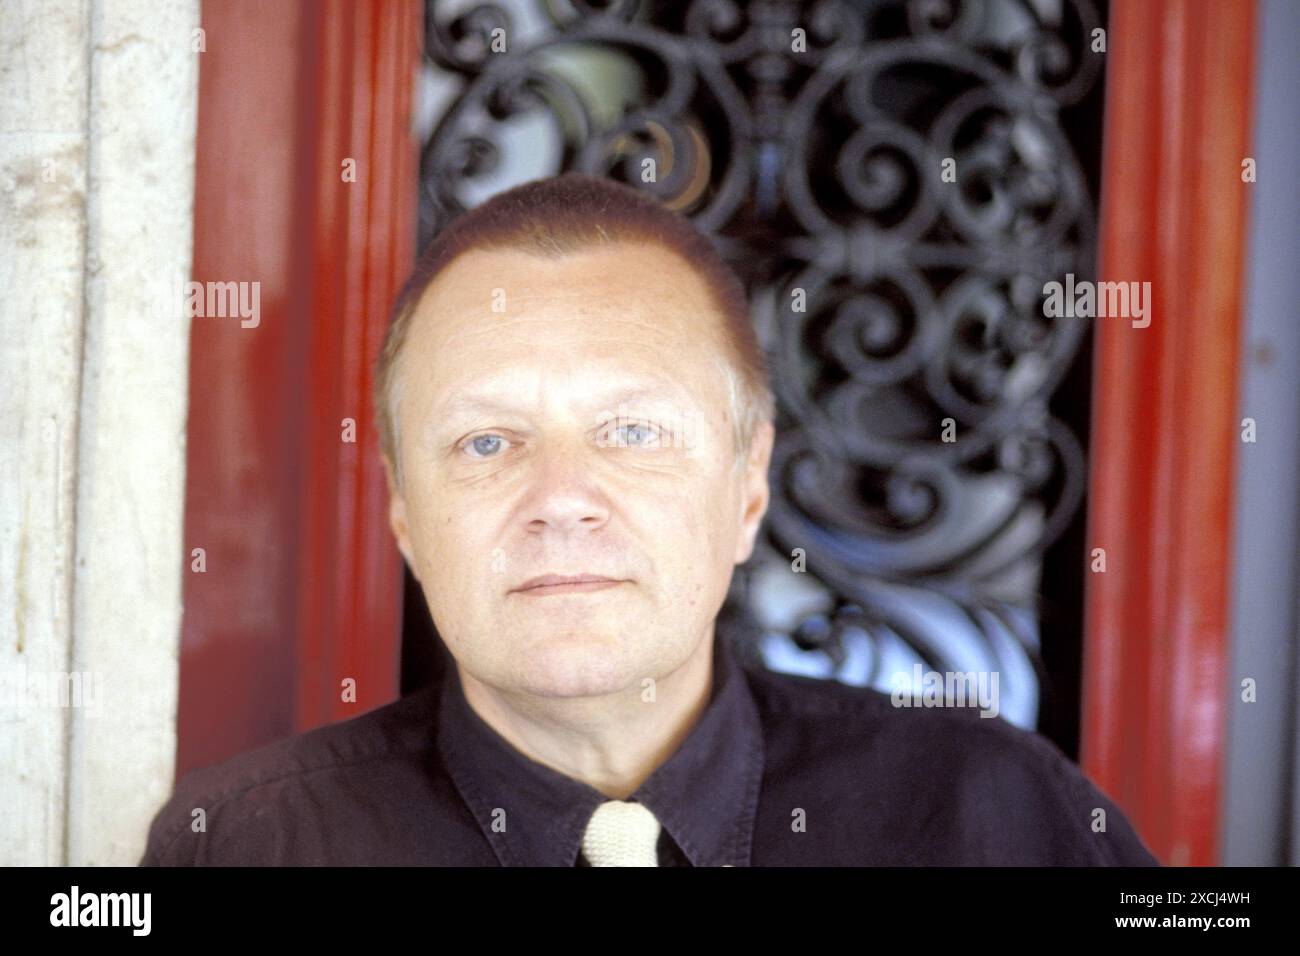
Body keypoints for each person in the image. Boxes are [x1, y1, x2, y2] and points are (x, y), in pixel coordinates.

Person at [139, 173, 1158, 866]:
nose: (561, 497)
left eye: (632, 431)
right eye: (485, 442)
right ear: (405, 512)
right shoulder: (245, 842)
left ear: (747, 489)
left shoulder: (993, 816)